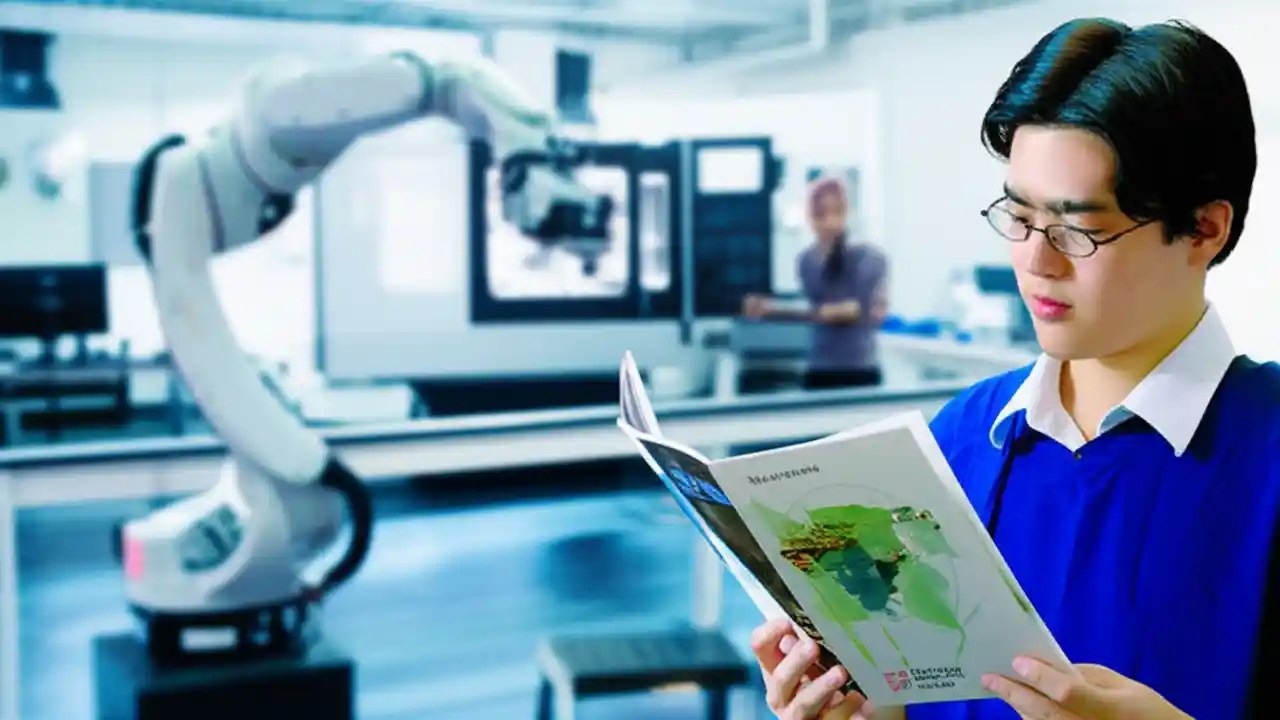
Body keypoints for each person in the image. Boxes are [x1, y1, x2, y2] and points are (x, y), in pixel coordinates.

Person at [750, 17, 1280, 720]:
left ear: (1204, 229)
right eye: (1019, 216)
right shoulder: (960, 441)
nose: (1035, 262)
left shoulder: (1266, 455)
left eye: (1076, 230)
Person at [743, 176, 889, 389]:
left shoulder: (870, 258)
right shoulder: (806, 261)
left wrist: (773, 311)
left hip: (858, 369)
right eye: (821, 214)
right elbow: (817, 310)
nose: (829, 222)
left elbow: (846, 312)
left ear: (846, 212)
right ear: (810, 217)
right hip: (820, 369)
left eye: (836, 212)